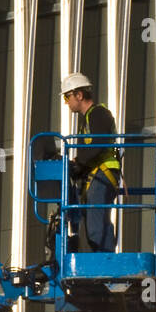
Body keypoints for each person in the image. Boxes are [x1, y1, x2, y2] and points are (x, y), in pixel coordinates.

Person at [60, 72, 121, 253]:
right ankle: (102, 255)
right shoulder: (86, 121)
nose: (67, 102)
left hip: (103, 173)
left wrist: (79, 163)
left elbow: (99, 144)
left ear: (79, 95)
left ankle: (104, 259)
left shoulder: (99, 114)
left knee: (96, 218)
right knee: (93, 217)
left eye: (67, 97)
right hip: (95, 173)